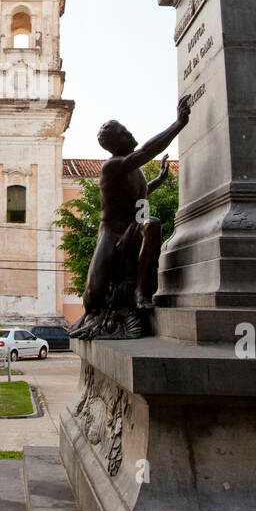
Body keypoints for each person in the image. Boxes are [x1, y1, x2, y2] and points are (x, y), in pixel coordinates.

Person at [69, 95, 192, 339]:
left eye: (126, 130)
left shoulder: (135, 171)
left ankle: (141, 293)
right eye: (123, 134)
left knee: (152, 224)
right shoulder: (112, 166)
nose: (129, 134)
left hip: (132, 227)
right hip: (111, 232)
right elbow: (146, 151)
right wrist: (178, 124)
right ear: (116, 145)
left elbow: (139, 197)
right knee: (93, 295)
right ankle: (99, 317)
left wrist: (158, 181)